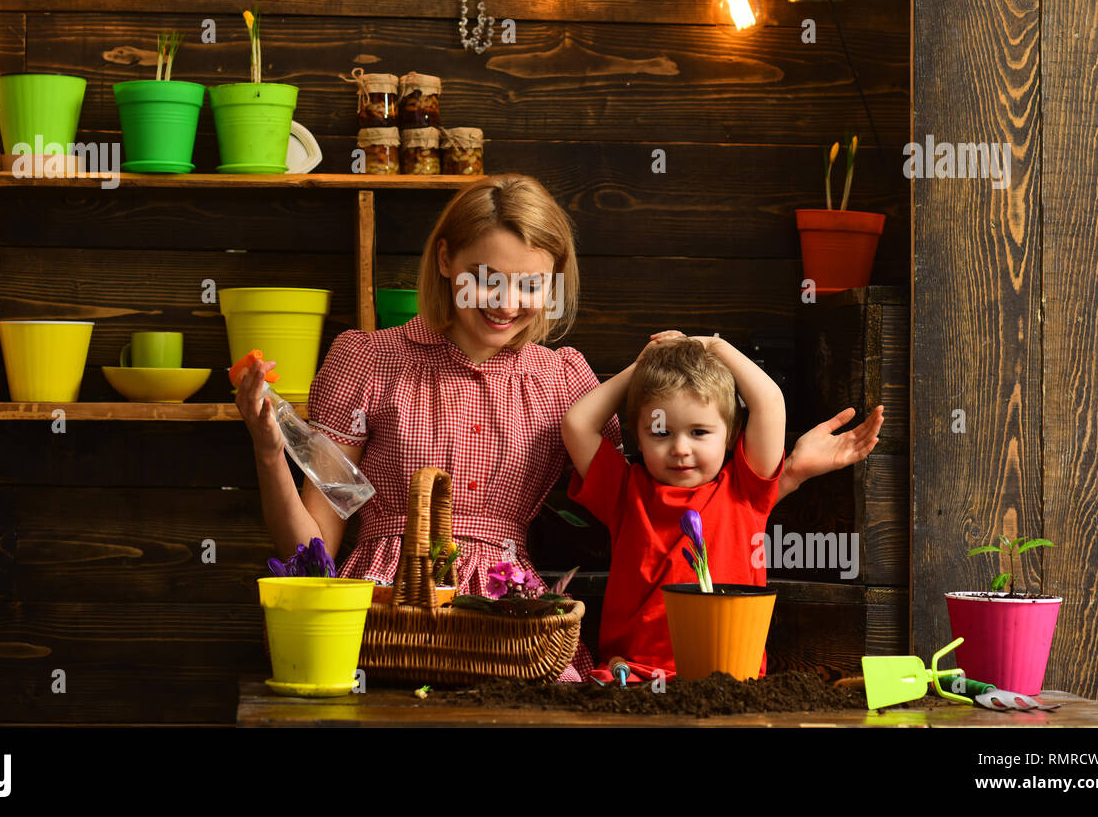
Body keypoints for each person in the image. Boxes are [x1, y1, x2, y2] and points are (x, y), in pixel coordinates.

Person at [235, 174, 885, 682]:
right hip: (382, 615)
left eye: (531, 286)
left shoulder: (561, 380)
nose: (508, 304)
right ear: (444, 260)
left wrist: (785, 472)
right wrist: (269, 451)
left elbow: (655, 509)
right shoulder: (367, 361)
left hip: (511, 621)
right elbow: (310, 554)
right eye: (488, 279)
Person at [563, 330, 785, 681]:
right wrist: (641, 367)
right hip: (635, 674)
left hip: (730, 676)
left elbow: (770, 402)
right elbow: (577, 424)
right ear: (638, 434)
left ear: (731, 433)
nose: (681, 448)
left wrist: (714, 346)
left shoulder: (746, 490)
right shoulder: (624, 492)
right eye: (661, 432)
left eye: (699, 432)